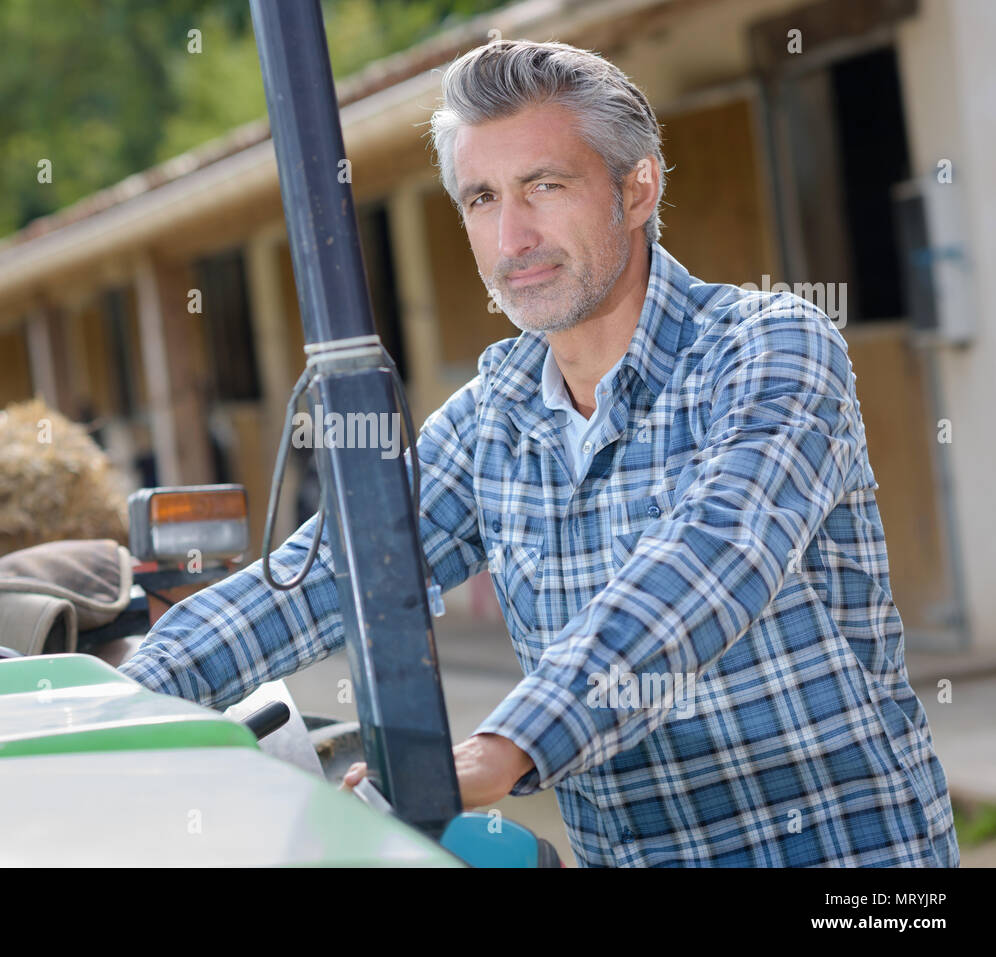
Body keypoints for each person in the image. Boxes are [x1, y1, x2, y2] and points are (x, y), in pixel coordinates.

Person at [122, 39, 958, 867]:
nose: (512, 236)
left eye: (544, 187)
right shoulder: (494, 416)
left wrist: (501, 747)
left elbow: (713, 559)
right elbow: (337, 570)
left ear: (638, 189)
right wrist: (112, 701)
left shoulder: (769, 347)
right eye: (482, 198)